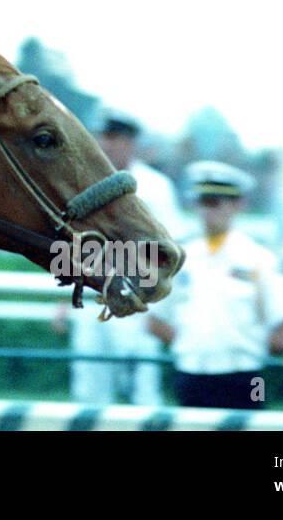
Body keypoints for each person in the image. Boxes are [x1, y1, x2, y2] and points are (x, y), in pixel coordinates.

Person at [147, 161, 283, 409]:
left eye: (216, 203)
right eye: (203, 202)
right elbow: (155, 321)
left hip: (248, 376)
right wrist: (192, 343)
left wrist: (255, 345)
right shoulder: (182, 259)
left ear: (238, 205)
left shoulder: (258, 259)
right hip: (193, 373)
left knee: (256, 425)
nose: (208, 211)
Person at [53, 111, 187, 406]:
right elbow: (70, 242)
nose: (107, 145)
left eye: (115, 139)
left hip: (137, 300)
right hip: (90, 298)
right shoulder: (82, 183)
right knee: (89, 388)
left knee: (141, 389)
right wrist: (63, 299)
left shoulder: (155, 187)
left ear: (130, 143)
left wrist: (160, 306)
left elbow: (171, 248)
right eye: (104, 138)